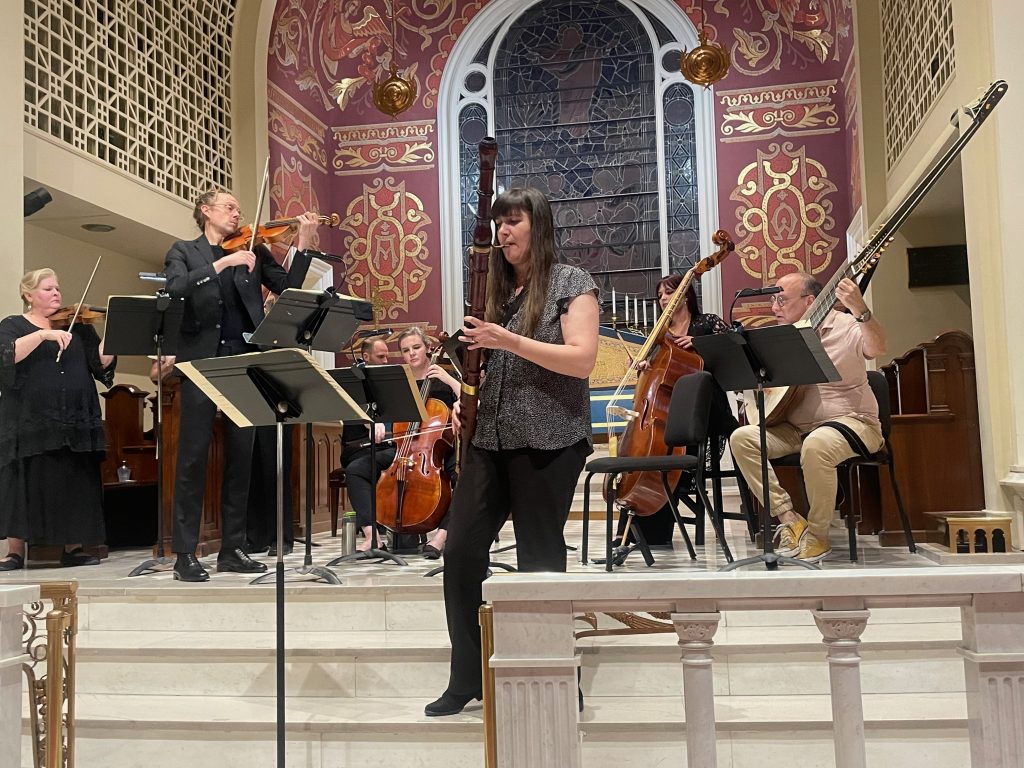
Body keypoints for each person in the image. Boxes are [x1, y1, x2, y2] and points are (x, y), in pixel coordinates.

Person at [425, 187, 599, 717]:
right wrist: (466, 401)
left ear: (537, 226)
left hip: (549, 438)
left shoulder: (571, 283)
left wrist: (509, 340)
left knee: (539, 559)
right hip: (489, 438)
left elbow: (582, 360)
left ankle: (554, 676)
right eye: (499, 222)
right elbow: (480, 367)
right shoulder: (493, 293)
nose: (503, 231)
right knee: (460, 552)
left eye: (513, 221)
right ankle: (469, 676)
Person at [163, 189, 317, 582]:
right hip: (200, 362)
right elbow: (175, 288)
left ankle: (232, 548)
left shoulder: (255, 250)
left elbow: (290, 289)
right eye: (229, 207)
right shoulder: (184, 251)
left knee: (241, 458)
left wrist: (302, 244)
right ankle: (184, 553)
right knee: (192, 458)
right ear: (206, 210)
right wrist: (224, 263)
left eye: (238, 208)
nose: (237, 213)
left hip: (244, 360)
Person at [728, 271, 886, 563]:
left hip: (854, 422)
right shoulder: (784, 337)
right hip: (797, 428)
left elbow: (877, 348)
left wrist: (861, 310)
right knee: (742, 438)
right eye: (773, 301)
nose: (774, 307)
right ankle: (790, 520)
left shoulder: (845, 324)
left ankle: (817, 536)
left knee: (817, 444)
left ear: (809, 301)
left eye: (782, 300)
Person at [0, 269, 116, 570]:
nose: (56, 294)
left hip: (73, 417)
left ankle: (73, 548)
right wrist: (43, 335)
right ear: (29, 295)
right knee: (23, 480)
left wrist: (115, 335)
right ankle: (15, 551)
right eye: (48, 288)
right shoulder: (13, 325)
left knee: (72, 478)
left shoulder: (77, 325)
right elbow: (6, 356)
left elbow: (99, 364)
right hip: (30, 418)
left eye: (58, 288)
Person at [611, 275, 737, 551]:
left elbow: (734, 352)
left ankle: (651, 532)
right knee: (651, 451)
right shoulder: (660, 335)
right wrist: (645, 366)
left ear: (686, 294)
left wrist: (701, 344)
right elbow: (658, 382)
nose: (664, 299)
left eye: (669, 292)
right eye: (660, 295)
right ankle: (630, 533)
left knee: (666, 451)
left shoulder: (706, 323)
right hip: (669, 415)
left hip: (704, 412)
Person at [345, 327, 460, 553]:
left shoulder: (444, 378)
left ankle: (441, 537)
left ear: (428, 348)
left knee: (464, 476)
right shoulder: (399, 382)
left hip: (441, 449)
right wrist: (373, 423)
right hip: (403, 449)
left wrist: (448, 379)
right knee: (356, 469)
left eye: (416, 347)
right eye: (406, 350)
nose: (412, 353)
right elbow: (375, 411)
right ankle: (372, 536)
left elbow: (469, 399)